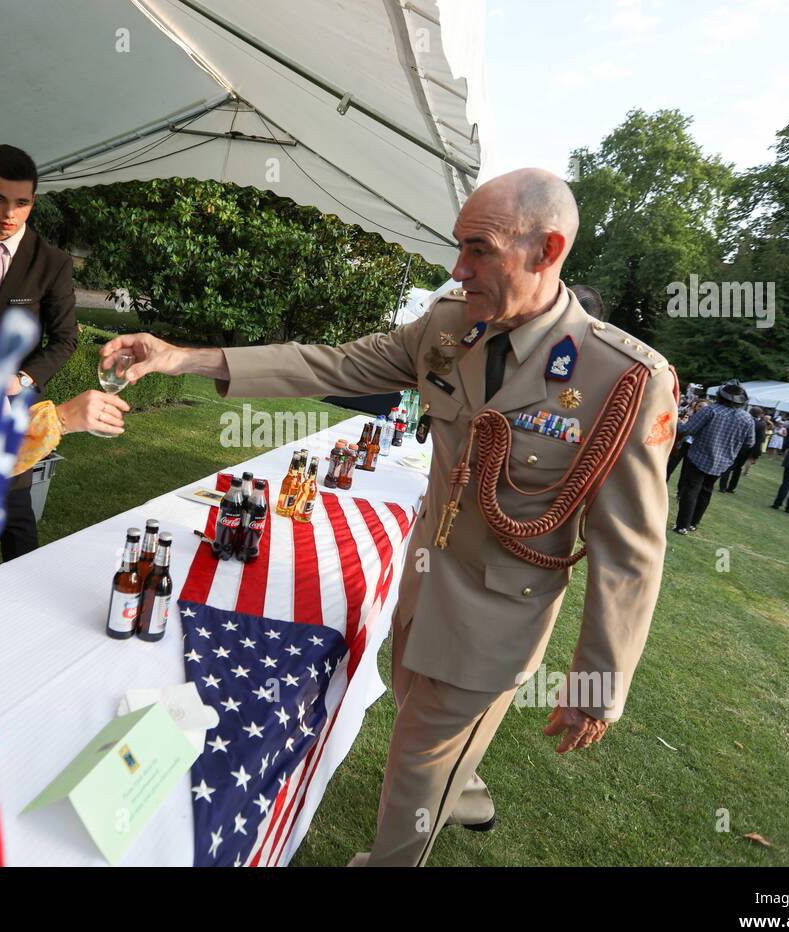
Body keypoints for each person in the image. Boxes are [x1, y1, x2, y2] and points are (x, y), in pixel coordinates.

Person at [101, 168, 679, 867]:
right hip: (420, 592)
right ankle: (463, 787)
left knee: (412, 777)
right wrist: (184, 358)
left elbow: (630, 552)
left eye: (480, 249)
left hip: (494, 628)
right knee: (418, 730)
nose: (458, 269)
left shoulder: (622, 380)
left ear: (547, 249)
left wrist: (598, 686)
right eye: (459, 248)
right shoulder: (449, 327)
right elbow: (332, 366)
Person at [0, 143, 92, 561]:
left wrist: (21, 378)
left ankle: (22, 606)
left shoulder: (52, 263)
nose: (10, 214)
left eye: (22, 203)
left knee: (14, 515)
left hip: (13, 410)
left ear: (33, 201)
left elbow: (65, 340)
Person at [671, 381, 755, 534]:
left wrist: (675, 420)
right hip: (723, 461)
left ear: (721, 396)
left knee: (690, 490)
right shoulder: (747, 418)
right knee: (706, 491)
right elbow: (750, 442)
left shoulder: (710, 411)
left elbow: (686, 429)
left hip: (698, 456)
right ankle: (693, 524)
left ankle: (682, 525)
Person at [718, 405, 764, 493]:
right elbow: (759, 441)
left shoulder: (743, 419)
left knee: (729, 467)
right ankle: (731, 488)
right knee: (738, 468)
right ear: (759, 415)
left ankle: (723, 487)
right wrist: (755, 455)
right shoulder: (761, 425)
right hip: (747, 449)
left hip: (735, 447)